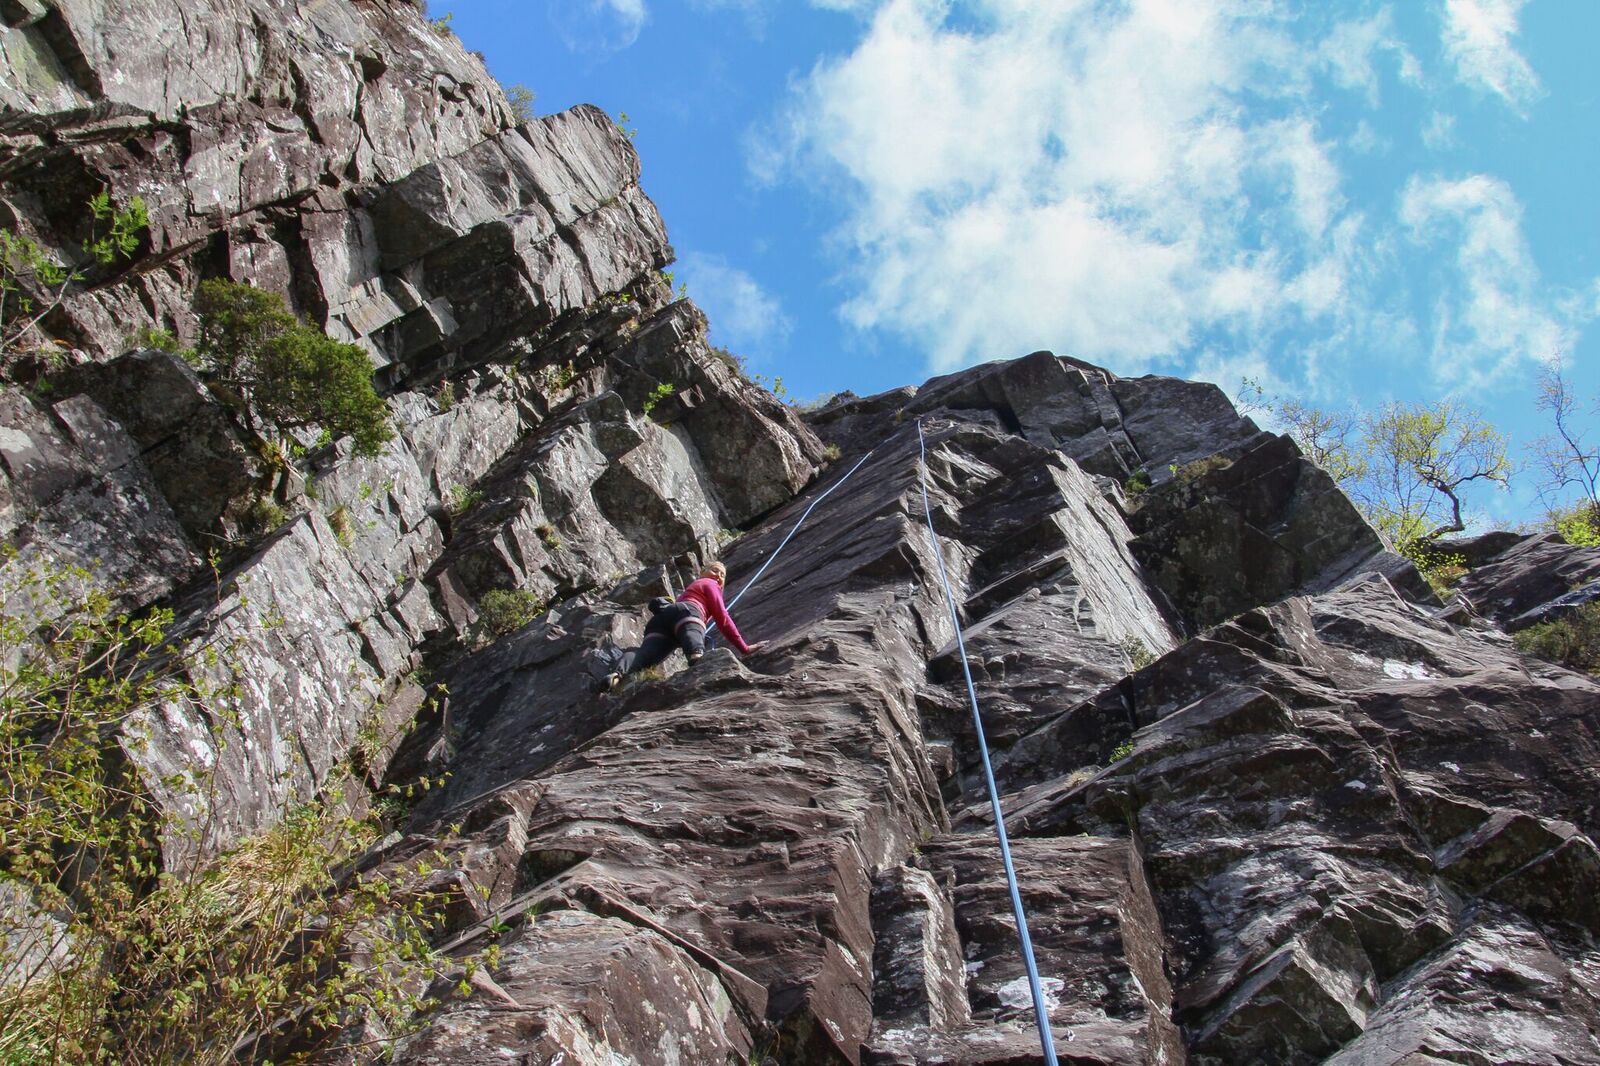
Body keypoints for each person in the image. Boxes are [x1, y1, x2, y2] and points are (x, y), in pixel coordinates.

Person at [595, 562, 766, 691]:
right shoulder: (708, 583)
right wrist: (744, 648)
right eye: (715, 570)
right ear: (702, 573)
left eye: (722, 575)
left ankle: (617, 674)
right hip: (687, 612)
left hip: (662, 621)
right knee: (693, 629)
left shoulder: (691, 589)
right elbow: (722, 617)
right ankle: (696, 655)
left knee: (645, 655)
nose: (718, 576)